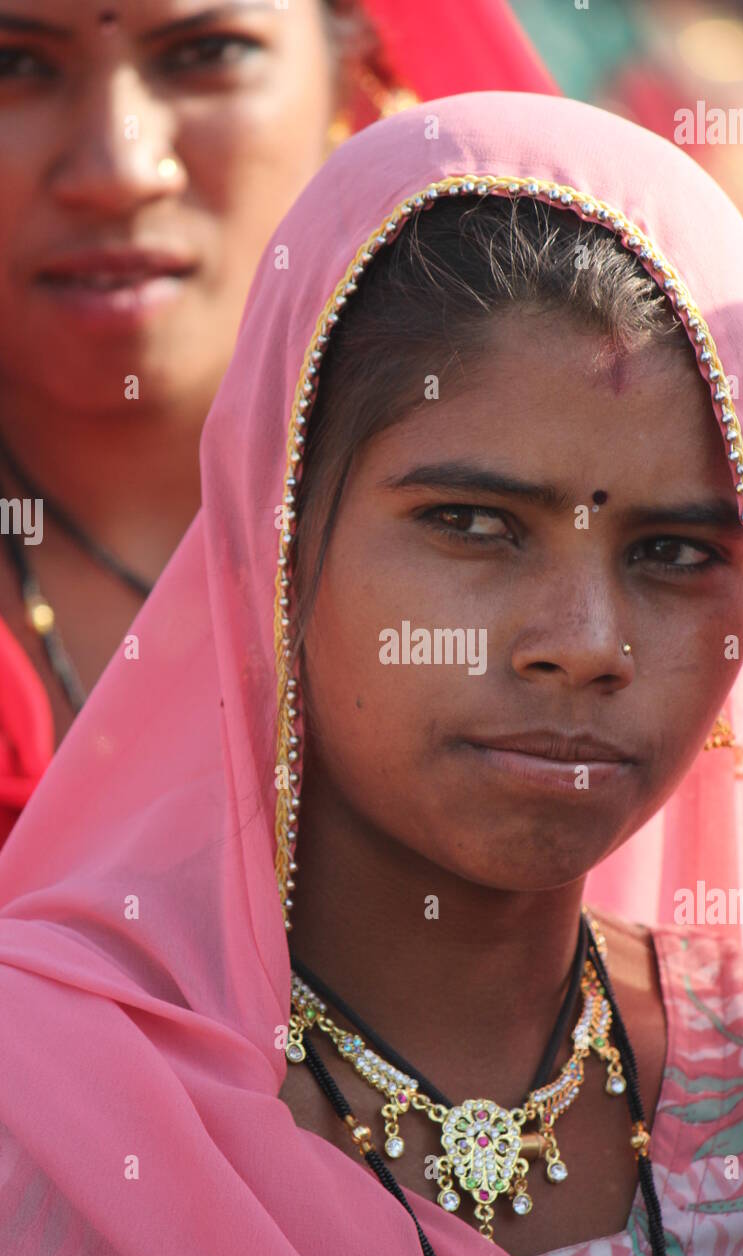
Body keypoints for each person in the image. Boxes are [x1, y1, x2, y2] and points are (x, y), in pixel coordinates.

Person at [0, 90, 743, 1256]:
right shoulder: (48, 1105)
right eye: (472, 524)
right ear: (280, 543)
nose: (584, 644)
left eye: (673, 551)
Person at [0, 0, 555, 845]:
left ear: (351, 80)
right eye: (14, 65)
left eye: (207, 52)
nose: (121, 168)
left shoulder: (547, 545)